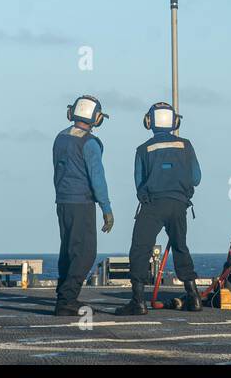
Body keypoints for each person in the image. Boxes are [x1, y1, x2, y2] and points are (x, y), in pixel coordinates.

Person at [116, 102, 203, 314]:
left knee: (140, 249)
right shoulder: (186, 145)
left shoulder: (143, 149)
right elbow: (196, 178)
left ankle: (138, 301)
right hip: (178, 205)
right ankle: (193, 296)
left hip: (152, 206)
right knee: (180, 246)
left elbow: (139, 182)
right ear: (175, 122)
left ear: (149, 122)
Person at [52, 95, 114, 316]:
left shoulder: (60, 138)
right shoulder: (90, 143)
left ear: (72, 113)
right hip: (82, 203)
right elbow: (97, 178)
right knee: (86, 253)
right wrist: (106, 209)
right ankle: (67, 300)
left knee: (68, 249)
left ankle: (63, 293)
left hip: (63, 201)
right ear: (97, 118)